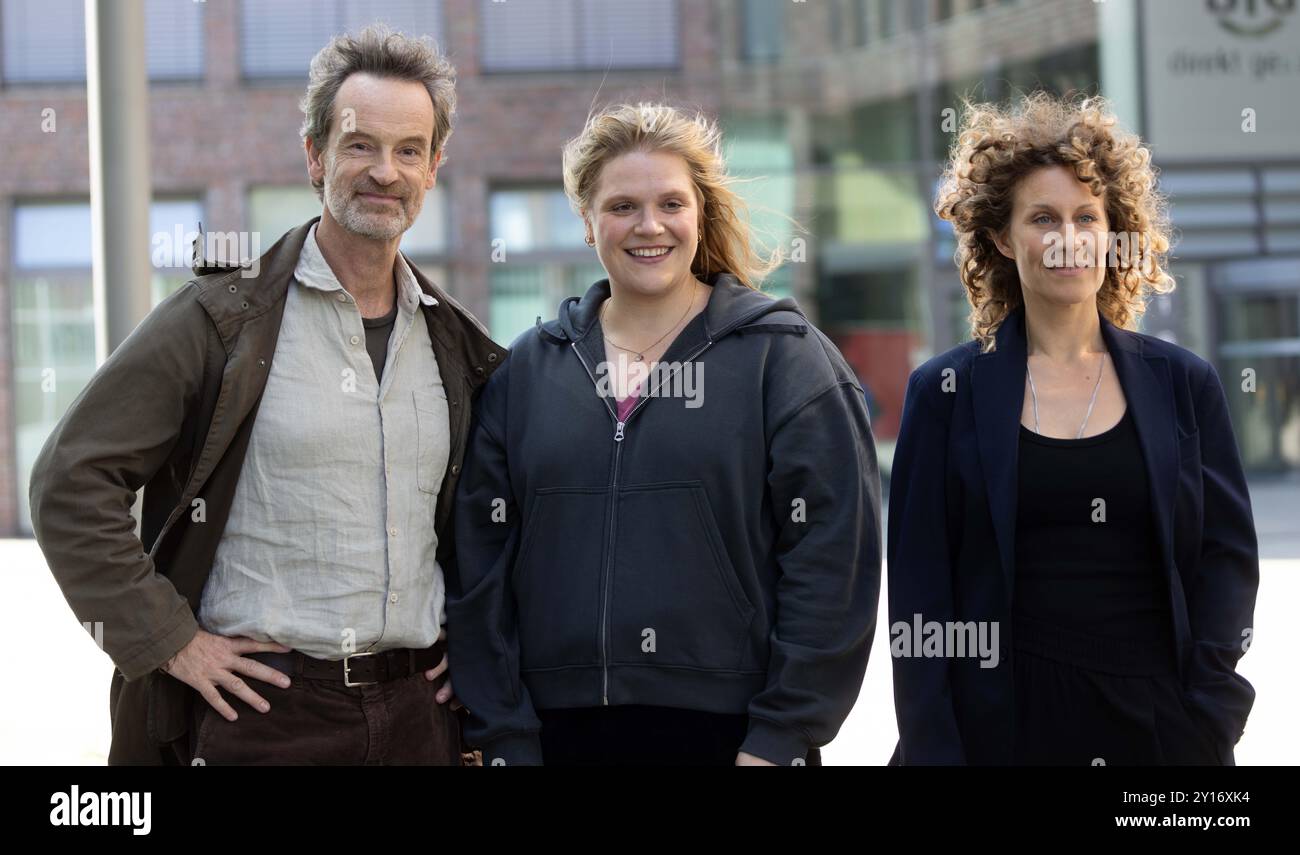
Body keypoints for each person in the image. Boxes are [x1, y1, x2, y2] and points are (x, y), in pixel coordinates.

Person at [28, 25, 505, 765]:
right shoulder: (222, 319)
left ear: (435, 165)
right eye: (359, 145)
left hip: (420, 720)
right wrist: (172, 643)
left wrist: (477, 644)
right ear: (315, 154)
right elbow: (70, 479)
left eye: (408, 149)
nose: (385, 170)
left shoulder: (459, 346)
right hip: (268, 717)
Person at [447, 103, 882, 766]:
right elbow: (481, 568)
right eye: (622, 206)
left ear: (698, 212)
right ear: (587, 219)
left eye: (670, 203)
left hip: (733, 740)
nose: (649, 225)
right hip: (554, 740)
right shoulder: (529, 371)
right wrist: (503, 734)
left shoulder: (783, 358)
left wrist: (783, 736)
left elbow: (833, 561)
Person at [888, 92, 1258, 765]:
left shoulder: (1184, 384)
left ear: (1113, 232)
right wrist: (934, 749)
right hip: (998, 731)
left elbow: (1226, 565)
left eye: (1087, 216)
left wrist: (1210, 715)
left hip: (1161, 731)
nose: (1068, 237)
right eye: (1042, 218)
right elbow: (919, 597)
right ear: (1002, 237)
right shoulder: (945, 392)